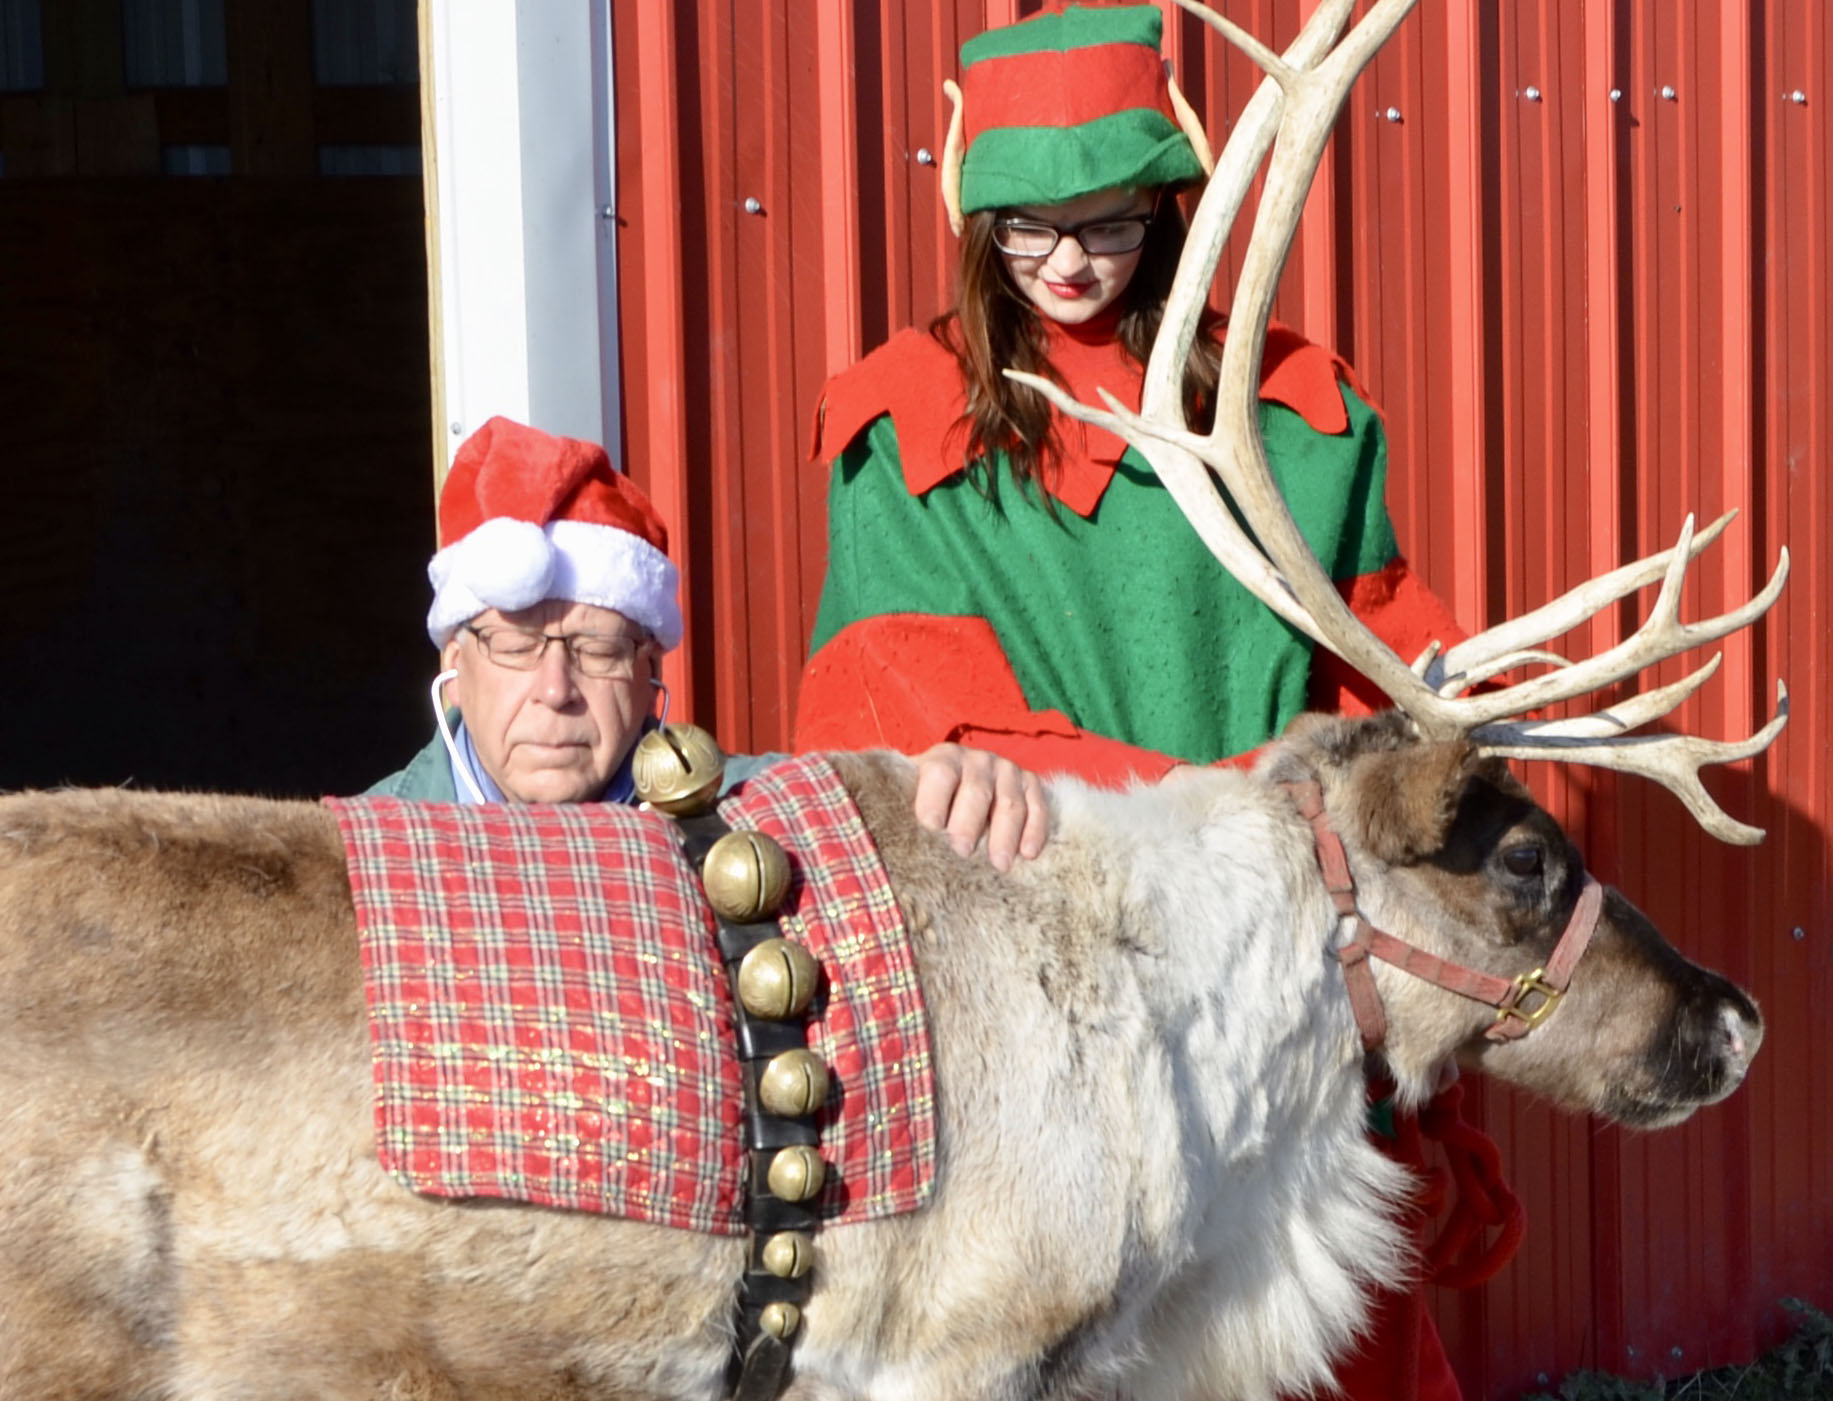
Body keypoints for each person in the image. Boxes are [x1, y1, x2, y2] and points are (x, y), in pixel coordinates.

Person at [792, 7, 1510, 1400]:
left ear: (1167, 205)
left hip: (1275, 984)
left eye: (1111, 221)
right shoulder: (911, 419)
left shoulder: (1297, 412)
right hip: (1047, 994)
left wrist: (1468, 724)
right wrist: (1242, 816)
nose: (1066, 261)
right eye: (1026, 226)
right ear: (971, 214)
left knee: (1309, 1345)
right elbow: (896, 711)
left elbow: (1387, 669)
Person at [372, 415, 1047, 871]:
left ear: (649, 673)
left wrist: (953, 784)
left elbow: (885, 809)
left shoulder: (758, 823)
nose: (556, 690)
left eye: (596, 647)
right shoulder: (365, 856)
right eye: (517, 645)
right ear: (454, 665)